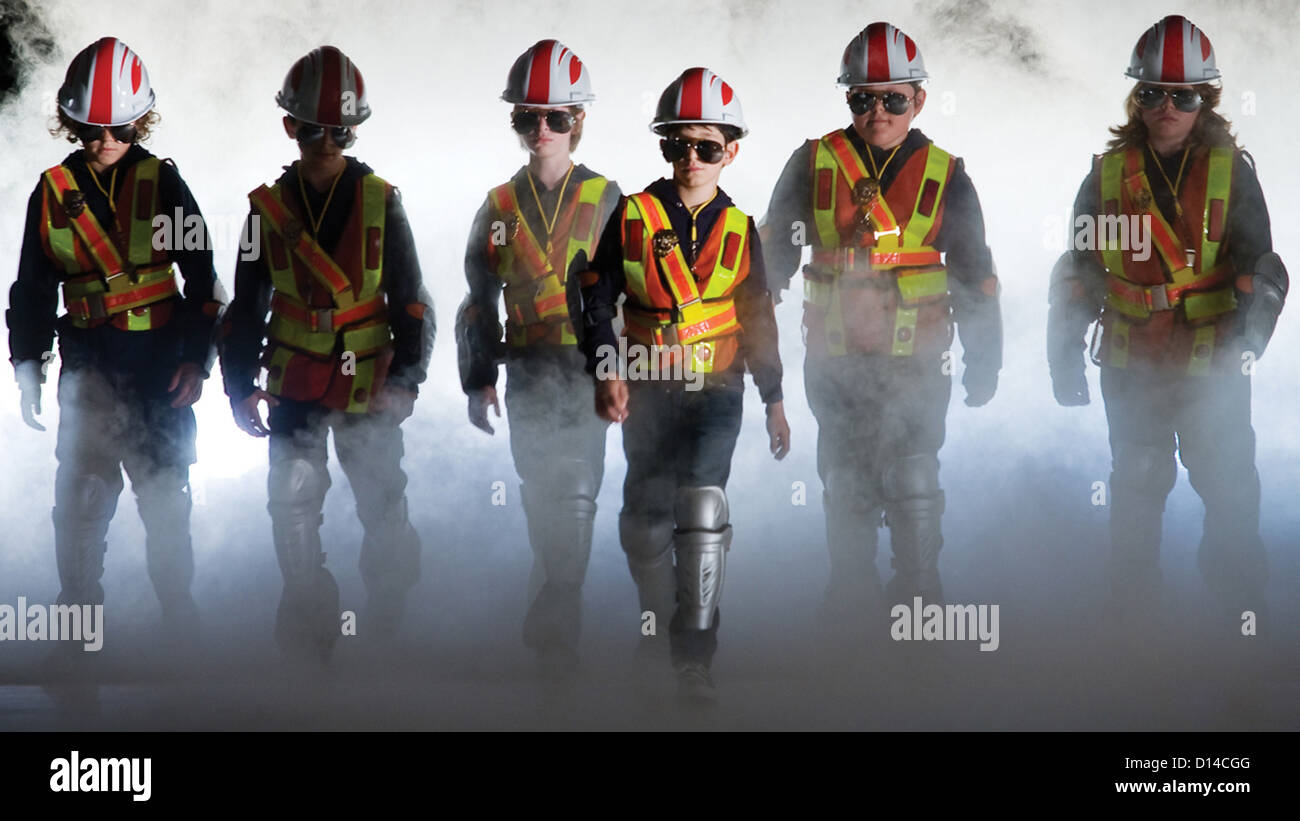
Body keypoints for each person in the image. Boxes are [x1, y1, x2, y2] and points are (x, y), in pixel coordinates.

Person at [1047, 15, 1285, 629]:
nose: (1167, 106)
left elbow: (1262, 273)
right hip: (1133, 363)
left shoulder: (1234, 173)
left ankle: (1244, 636)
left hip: (1214, 364)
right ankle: (1135, 640)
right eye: (1152, 93)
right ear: (1137, 98)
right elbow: (1077, 273)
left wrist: (1250, 345)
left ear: (1205, 99)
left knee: (1231, 495)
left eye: (1183, 95)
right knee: (1135, 491)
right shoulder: (1103, 178)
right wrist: (1063, 357)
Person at [759, 22, 1001, 625]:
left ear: (918, 99)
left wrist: (985, 359)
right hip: (835, 361)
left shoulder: (946, 172)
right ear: (849, 101)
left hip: (918, 361)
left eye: (894, 98)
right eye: (863, 99)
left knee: (914, 479)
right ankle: (850, 609)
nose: (878, 112)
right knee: (847, 482)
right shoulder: (812, 162)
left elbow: (975, 274)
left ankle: (919, 605)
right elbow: (771, 260)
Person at [579, 67, 790, 704]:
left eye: (705, 146)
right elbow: (594, 300)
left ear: (731, 150)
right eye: (677, 144)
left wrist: (775, 398)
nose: (690, 159)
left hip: (717, 391)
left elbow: (757, 318)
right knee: (644, 524)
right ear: (664, 148)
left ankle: (694, 657)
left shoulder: (741, 229)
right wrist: (607, 369)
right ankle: (656, 624)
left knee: (701, 510)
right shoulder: (632, 216)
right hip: (645, 389)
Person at [220, 46, 435, 663]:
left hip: (371, 377)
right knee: (290, 501)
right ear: (290, 125)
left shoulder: (381, 198)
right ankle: (311, 628)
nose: (325, 140)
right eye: (313, 128)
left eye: (339, 130)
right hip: (293, 375)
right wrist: (239, 386)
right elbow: (246, 305)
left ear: (354, 129)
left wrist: (410, 380)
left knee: (382, 506)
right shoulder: (266, 210)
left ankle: (391, 611)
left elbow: (410, 299)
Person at [8, 37, 223, 641]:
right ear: (73, 121)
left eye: (122, 127)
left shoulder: (164, 186)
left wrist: (196, 361)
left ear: (141, 121)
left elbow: (204, 279)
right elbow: (31, 288)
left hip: (160, 369)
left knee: (166, 504)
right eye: (94, 126)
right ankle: (75, 637)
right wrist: (28, 366)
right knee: (79, 504)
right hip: (88, 368)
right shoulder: (51, 192)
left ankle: (182, 630)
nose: (106, 139)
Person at [456, 39, 622, 677]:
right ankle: (552, 616)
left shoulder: (610, 199)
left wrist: (626, 376)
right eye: (528, 117)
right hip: (526, 371)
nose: (542, 129)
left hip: (587, 372)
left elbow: (632, 296)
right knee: (541, 497)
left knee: (578, 494)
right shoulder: (497, 208)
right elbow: (478, 303)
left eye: (555, 116)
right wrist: (478, 381)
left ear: (578, 120)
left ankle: (559, 632)